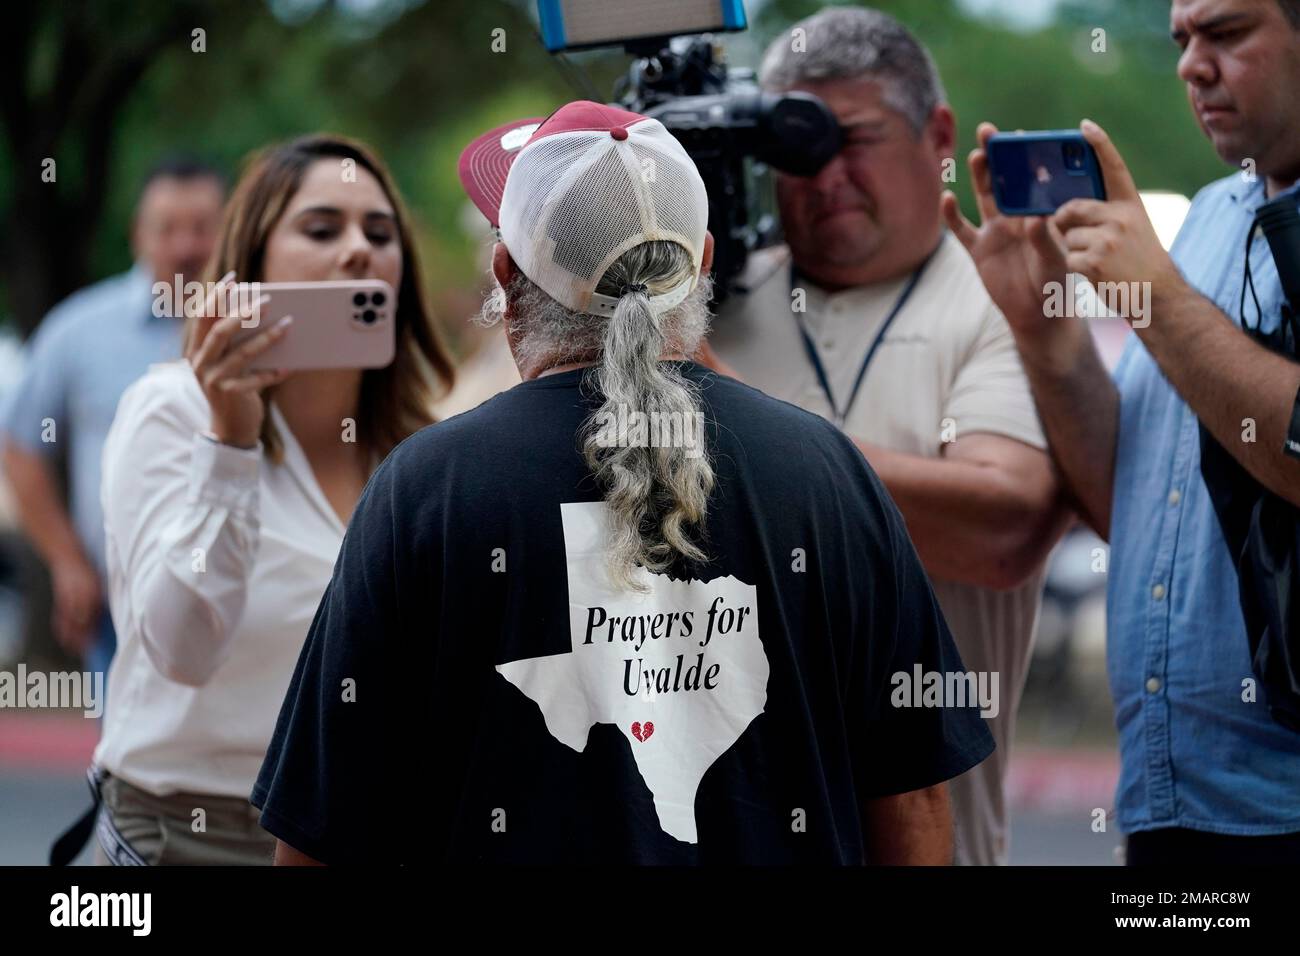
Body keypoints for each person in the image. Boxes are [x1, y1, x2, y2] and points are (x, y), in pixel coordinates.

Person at [252, 100, 994, 865]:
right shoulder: (828, 472)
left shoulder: (423, 490)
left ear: (506, 274)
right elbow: (914, 798)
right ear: (702, 263)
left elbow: (323, 830)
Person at [708, 7, 1071, 864]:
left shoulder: (1001, 291)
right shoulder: (710, 303)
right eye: (795, 145)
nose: (823, 173)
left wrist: (727, 408)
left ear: (936, 133)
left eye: (853, 138)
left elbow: (1002, 528)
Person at [943, 0, 1300, 864]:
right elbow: (1130, 504)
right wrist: (1042, 329)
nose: (1190, 65)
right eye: (1181, 40)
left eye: (1226, 33)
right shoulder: (1212, 213)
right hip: (1170, 807)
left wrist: (1160, 299)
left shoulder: (1167, 256)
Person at [88, 134, 454, 865]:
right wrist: (230, 444)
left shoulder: (419, 449)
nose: (359, 251)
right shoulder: (172, 412)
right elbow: (183, 648)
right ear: (250, 266)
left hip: (362, 829)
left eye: (379, 234)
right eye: (322, 229)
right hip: (193, 834)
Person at [0, 159, 224, 681]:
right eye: (167, 228)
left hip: (248, 597)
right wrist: (66, 560)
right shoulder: (78, 331)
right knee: (129, 758)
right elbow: (19, 444)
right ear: (137, 235)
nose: (187, 246)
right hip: (118, 609)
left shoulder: (268, 326)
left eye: (203, 227)